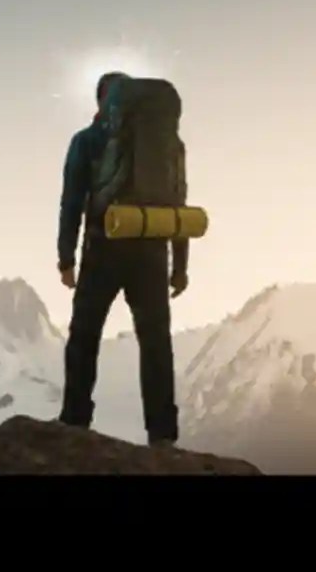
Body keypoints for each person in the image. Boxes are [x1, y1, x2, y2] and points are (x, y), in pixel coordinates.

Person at [56, 71, 188, 446]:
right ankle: (162, 433)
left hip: (104, 245)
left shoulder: (87, 140)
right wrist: (180, 266)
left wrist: (66, 258)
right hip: (152, 245)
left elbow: (72, 200)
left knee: (85, 335)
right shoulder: (169, 145)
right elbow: (178, 200)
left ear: (104, 102)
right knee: (156, 341)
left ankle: (75, 420)